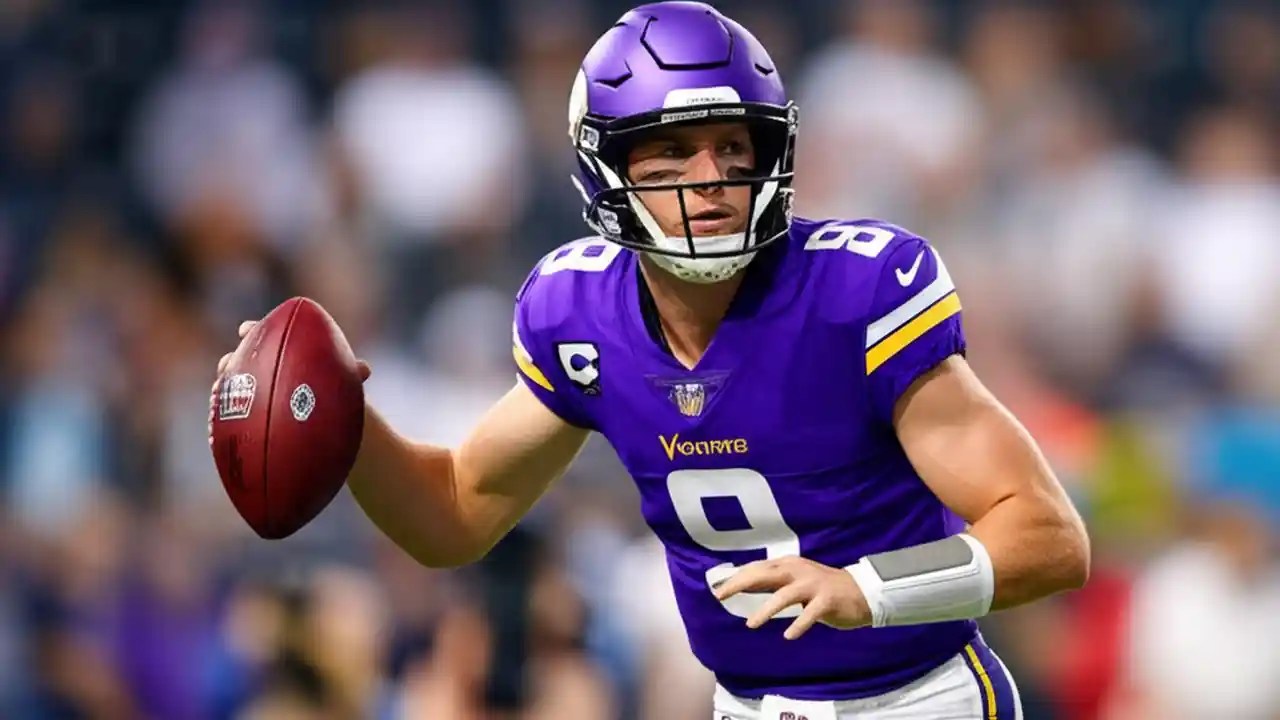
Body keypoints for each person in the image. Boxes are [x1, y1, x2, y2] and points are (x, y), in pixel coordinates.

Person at [215, 3, 1089, 717]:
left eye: (732, 146)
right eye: (670, 149)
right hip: (745, 705)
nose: (710, 176)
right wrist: (344, 419)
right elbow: (451, 515)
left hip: (915, 700)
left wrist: (866, 587)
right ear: (606, 169)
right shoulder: (579, 315)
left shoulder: (857, 292)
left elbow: (1047, 536)